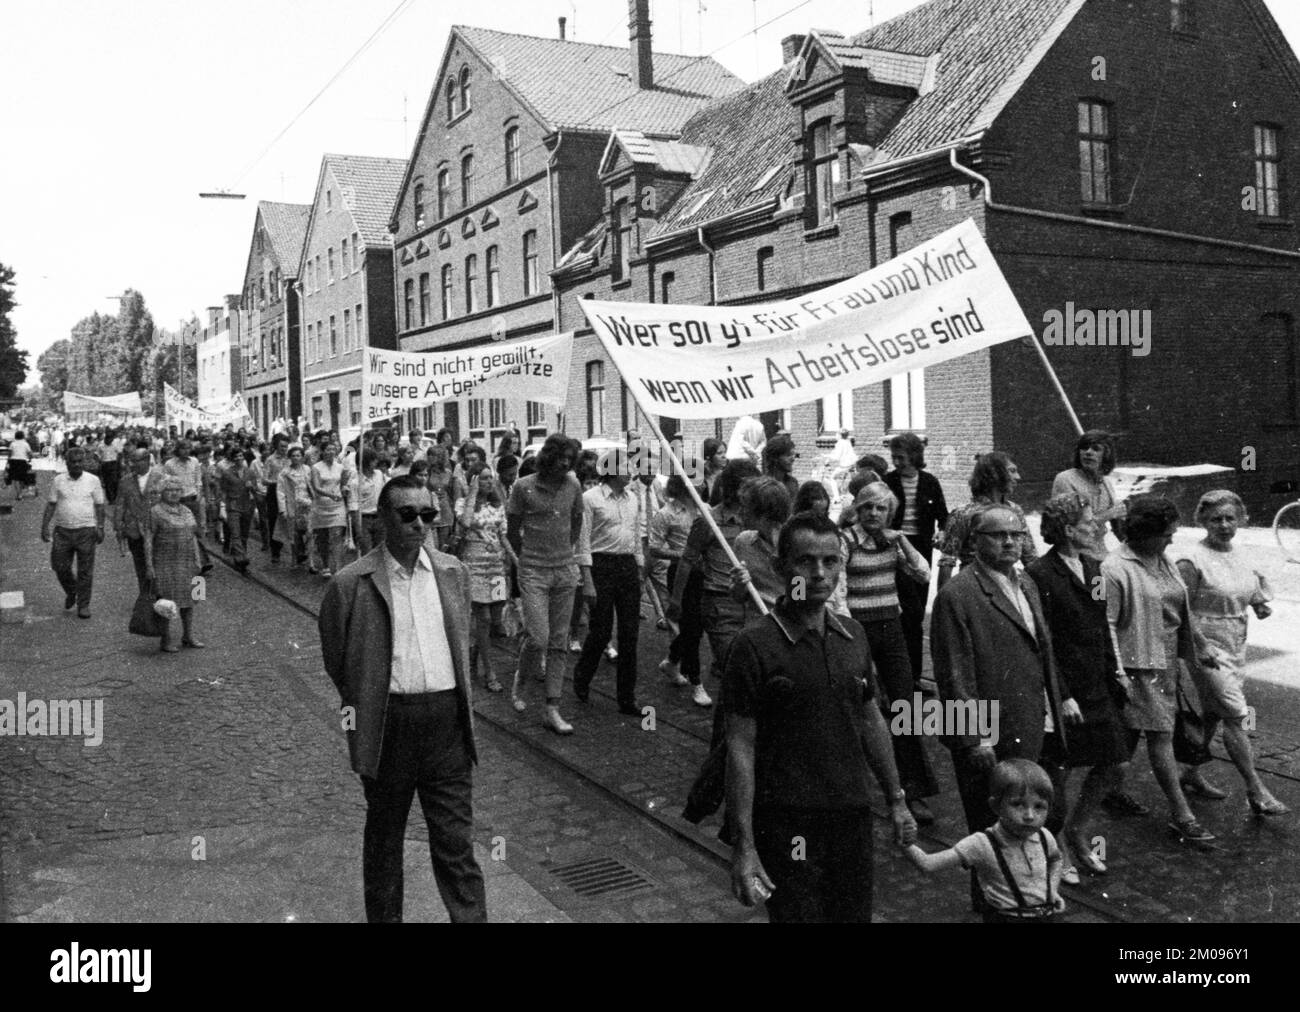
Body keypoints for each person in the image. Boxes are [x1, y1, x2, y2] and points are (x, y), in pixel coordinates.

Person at [726, 511, 917, 921]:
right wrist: (744, 847)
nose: (818, 573)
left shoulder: (853, 635)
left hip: (850, 815)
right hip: (788, 822)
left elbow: (871, 720)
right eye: (805, 561)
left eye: (830, 561)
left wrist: (897, 799)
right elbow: (740, 745)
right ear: (781, 568)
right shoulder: (754, 645)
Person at [318, 475, 487, 923]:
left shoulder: (454, 572)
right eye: (407, 514)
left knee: (456, 845)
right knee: (385, 843)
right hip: (390, 725)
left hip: (447, 725)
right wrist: (372, 701)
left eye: (427, 515)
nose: (419, 524)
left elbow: (461, 642)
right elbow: (339, 661)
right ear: (382, 519)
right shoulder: (350, 583)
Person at [931, 503, 1066, 890]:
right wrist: (975, 738)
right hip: (991, 735)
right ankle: (993, 906)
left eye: (1016, 534)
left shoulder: (1025, 584)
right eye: (998, 535)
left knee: (1037, 821)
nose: (1009, 542)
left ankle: (1027, 900)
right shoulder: (957, 594)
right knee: (990, 836)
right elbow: (954, 675)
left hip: (1033, 720)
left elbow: (1041, 649)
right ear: (976, 542)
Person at [1101, 494, 1220, 842]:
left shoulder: (1161, 558)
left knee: (1128, 739)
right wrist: (1119, 672)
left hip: (1166, 659)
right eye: (1167, 532)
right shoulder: (1114, 568)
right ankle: (1182, 814)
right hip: (1138, 664)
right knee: (1161, 736)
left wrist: (1200, 643)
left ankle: (1109, 789)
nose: (1172, 539)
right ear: (1145, 533)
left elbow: (1179, 604)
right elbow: (1107, 624)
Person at [1026, 494, 1130, 876]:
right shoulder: (1039, 575)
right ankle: (1056, 850)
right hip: (1065, 690)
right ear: (1069, 530)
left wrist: (1115, 673)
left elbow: (1102, 626)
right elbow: (1043, 639)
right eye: (1089, 521)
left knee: (1115, 762)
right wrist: (1063, 693)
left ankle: (1078, 830)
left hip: (1098, 684)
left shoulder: (1095, 568)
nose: (1097, 525)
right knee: (1060, 774)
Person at [1174, 490, 1287, 815]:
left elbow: (1242, 588)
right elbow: (1181, 609)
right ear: (1202, 521)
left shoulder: (1240, 554)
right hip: (1204, 646)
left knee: (1213, 712)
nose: (1223, 525)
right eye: (1215, 519)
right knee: (1235, 714)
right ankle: (1256, 789)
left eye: (1229, 518)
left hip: (1236, 642)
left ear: (1241, 520)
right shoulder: (1191, 561)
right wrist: (1202, 645)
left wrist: (1257, 603)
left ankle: (1191, 771)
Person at [843, 482, 939, 825]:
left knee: (905, 707)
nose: (873, 514)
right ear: (857, 508)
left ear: (890, 513)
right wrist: (849, 634)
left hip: (891, 629)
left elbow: (923, 573)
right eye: (867, 507)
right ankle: (858, 786)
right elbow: (838, 591)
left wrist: (903, 542)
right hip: (858, 630)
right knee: (860, 708)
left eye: (880, 509)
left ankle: (912, 792)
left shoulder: (891, 541)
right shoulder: (846, 542)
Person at [904, 759, 1066, 923]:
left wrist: (1051, 890)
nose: (1030, 816)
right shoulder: (982, 844)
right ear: (995, 806)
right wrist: (906, 843)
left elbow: (1056, 859)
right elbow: (928, 863)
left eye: (1039, 806)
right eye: (1018, 804)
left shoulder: (1044, 836)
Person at [506, 433, 584, 734]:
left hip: (564, 570)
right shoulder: (523, 487)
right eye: (560, 457)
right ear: (548, 457)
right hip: (534, 570)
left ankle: (552, 707)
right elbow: (513, 531)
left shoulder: (574, 484)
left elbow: (576, 522)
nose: (565, 462)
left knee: (559, 642)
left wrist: (566, 550)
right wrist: (524, 561)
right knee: (538, 637)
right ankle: (522, 680)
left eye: (569, 458)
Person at [573, 467, 645, 716]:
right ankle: (582, 676)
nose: (631, 473)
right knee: (601, 631)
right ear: (612, 471)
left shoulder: (634, 498)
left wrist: (639, 568)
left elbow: (636, 537)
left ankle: (627, 698)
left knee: (629, 634)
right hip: (600, 565)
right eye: (626, 469)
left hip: (626, 566)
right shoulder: (591, 498)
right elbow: (583, 541)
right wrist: (588, 580)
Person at [885, 432, 949, 688]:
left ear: (914, 456)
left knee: (918, 611)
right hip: (895, 548)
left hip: (921, 549)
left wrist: (941, 532)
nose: (897, 463)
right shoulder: (888, 481)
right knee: (904, 612)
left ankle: (914, 675)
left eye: (901, 457)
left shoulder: (930, 482)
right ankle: (903, 677)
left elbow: (943, 516)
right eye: (894, 458)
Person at [456, 454, 516, 694]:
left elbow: (503, 536)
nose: (489, 482)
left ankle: (474, 654)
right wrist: (472, 493)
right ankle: (489, 671)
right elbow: (467, 522)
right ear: (474, 481)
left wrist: (514, 560)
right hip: (474, 566)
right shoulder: (464, 503)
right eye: (483, 478)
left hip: (496, 567)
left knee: (496, 619)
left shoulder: (497, 505)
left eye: (491, 478)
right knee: (484, 619)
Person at [936, 451, 1037, 590]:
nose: (1018, 477)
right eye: (1012, 471)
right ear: (994, 474)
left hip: (1008, 584)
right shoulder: (963, 514)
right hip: (973, 587)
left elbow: (1030, 557)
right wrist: (944, 604)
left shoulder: (1015, 511)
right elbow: (947, 561)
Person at [652, 475, 711, 707]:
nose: (703, 483)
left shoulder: (706, 509)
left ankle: (671, 659)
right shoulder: (666, 514)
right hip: (681, 573)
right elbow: (654, 547)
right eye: (696, 478)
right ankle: (697, 683)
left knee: (696, 626)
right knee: (692, 628)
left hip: (704, 573)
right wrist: (684, 555)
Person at [40, 446, 105, 619]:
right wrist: (45, 526)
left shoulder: (93, 480)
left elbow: (100, 505)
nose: (76, 465)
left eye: (79, 461)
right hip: (62, 531)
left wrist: (100, 527)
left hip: (86, 530)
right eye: (72, 462)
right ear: (67, 463)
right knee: (59, 566)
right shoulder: (58, 480)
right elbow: (52, 504)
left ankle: (83, 605)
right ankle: (72, 590)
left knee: (85, 570)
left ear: (83, 462)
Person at [144, 475, 204, 652]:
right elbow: (148, 539)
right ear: (162, 492)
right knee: (166, 601)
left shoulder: (186, 510)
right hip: (164, 561)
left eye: (177, 490)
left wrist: (198, 560)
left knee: (192, 599)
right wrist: (149, 565)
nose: (174, 493)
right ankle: (166, 639)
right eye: (169, 490)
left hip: (188, 559)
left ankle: (188, 635)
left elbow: (194, 535)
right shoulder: (155, 511)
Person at [1052, 429, 1125, 561]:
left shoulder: (1106, 483)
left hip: (1100, 554)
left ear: (1106, 455)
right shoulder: (1065, 479)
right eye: (1084, 448)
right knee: (1096, 581)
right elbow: (1073, 527)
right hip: (1075, 556)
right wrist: (1110, 514)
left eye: (1096, 449)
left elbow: (1119, 526)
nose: (1088, 452)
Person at [114, 447, 164, 592]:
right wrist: (118, 527)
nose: (132, 464)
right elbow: (120, 505)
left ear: (148, 460)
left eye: (137, 461)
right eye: (131, 461)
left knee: (157, 564)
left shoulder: (161, 477)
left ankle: (158, 594)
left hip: (157, 530)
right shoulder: (125, 480)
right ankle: (145, 596)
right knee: (140, 565)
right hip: (134, 530)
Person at [162, 439, 213, 573]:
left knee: (196, 530)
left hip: (193, 499)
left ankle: (203, 561)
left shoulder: (194, 462)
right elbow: (166, 483)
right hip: (178, 501)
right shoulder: (169, 464)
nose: (186, 451)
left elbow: (198, 480)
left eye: (188, 448)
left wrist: (199, 495)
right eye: (183, 448)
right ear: (177, 449)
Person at [309, 440, 351, 578]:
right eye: (328, 449)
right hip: (321, 506)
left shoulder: (340, 467)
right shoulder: (316, 467)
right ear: (322, 452)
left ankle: (338, 566)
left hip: (337, 506)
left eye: (333, 449)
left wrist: (344, 489)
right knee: (322, 537)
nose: (331, 452)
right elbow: (316, 487)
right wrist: (330, 495)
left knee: (337, 535)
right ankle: (325, 565)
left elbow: (343, 484)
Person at [217, 444, 257, 574]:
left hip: (247, 505)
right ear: (232, 459)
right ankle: (242, 558)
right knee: (236, 533)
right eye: (236, 456)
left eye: (241, 455)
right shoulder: (227, 473)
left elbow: (256, 489)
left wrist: (252, 487)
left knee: (244, 534)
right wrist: (222, 505)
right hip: (233, 505)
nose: (239, 458)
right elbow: (222, 490)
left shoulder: (250, 472)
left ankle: (240, 556)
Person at [276, 446, 313, 567]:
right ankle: (293, 558)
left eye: (298, 455)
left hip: (307, 505)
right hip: (292, 505)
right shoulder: (285, 473)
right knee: (294, 533)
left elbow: (312, 486)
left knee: (309, 532)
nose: (296, 458)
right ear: (289, 457)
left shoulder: (307, 469)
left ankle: (310, 560)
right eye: (293, 455)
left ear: (302, 457)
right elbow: (280, 491)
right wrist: (282, 509)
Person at [349, 449, 384, 555]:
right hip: (364, 519)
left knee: (381, 550)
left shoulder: (379, 474)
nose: (376, 462)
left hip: (380, 517)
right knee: (367, 551)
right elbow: (353, 507)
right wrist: (358, 529)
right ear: (366, 462)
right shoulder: (355, 483)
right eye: (373, 460)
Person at [263, 434, 291, 563]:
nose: (284, 449)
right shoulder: (270, 460)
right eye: (282, 446)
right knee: (274, 521)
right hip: (273, 492)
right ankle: (275, 551)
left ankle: (297, 550)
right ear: (276, 446)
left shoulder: (291, 458)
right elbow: (264, 479)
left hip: (289, 491)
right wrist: (274, 482)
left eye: (286, 446)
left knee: (290, 519)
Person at [761, 433, 799, 501]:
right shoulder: (762, 487)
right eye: (788, 455)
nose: (793, 459)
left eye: (793, 455)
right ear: (775, 458)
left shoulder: (793, 483)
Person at [6, 430, 34, 500]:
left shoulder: (12, 444)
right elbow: (30, 454)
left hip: (14, 462)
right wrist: (30, 459)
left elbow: (9, 454)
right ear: (23, 436)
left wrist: (8, 462)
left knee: (15, 479)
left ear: (15, 436)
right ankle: (20, 494)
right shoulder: (26, 444)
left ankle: (18, 494)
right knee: (22, 478)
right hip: (22, 462)